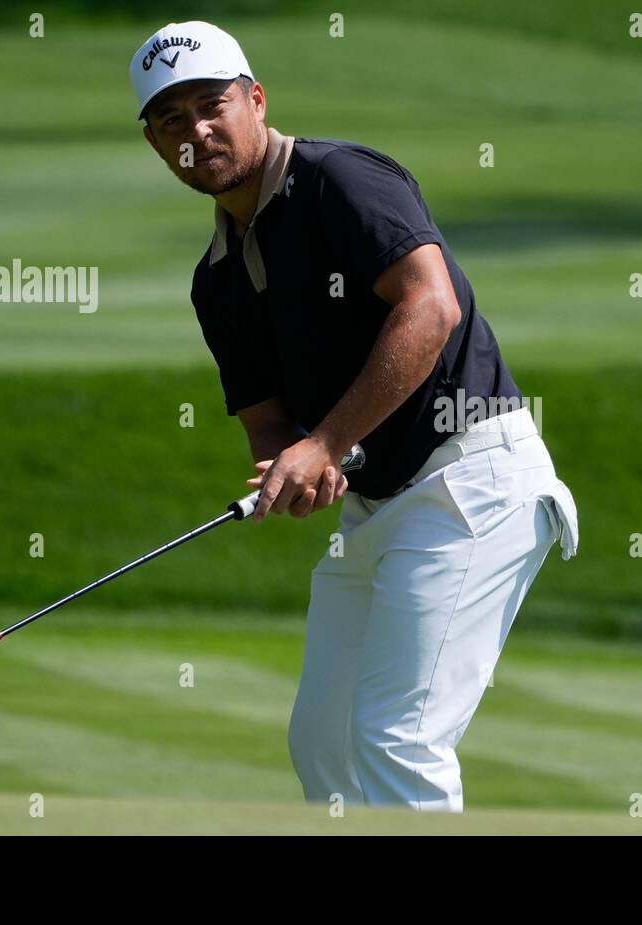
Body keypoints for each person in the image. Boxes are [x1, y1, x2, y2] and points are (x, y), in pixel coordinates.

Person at [129, 21, 578, 812]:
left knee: (396, 736)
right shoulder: (217, 280)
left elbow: (430, 306)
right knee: (325, 741)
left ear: (256, 100)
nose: (198, 129)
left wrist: (329, 441)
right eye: (173, 119)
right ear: (157, 145)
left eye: (213, 104)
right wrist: (293, 466)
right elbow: (268, 422)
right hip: (381, 508)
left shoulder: (340, 178)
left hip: (472, 483)